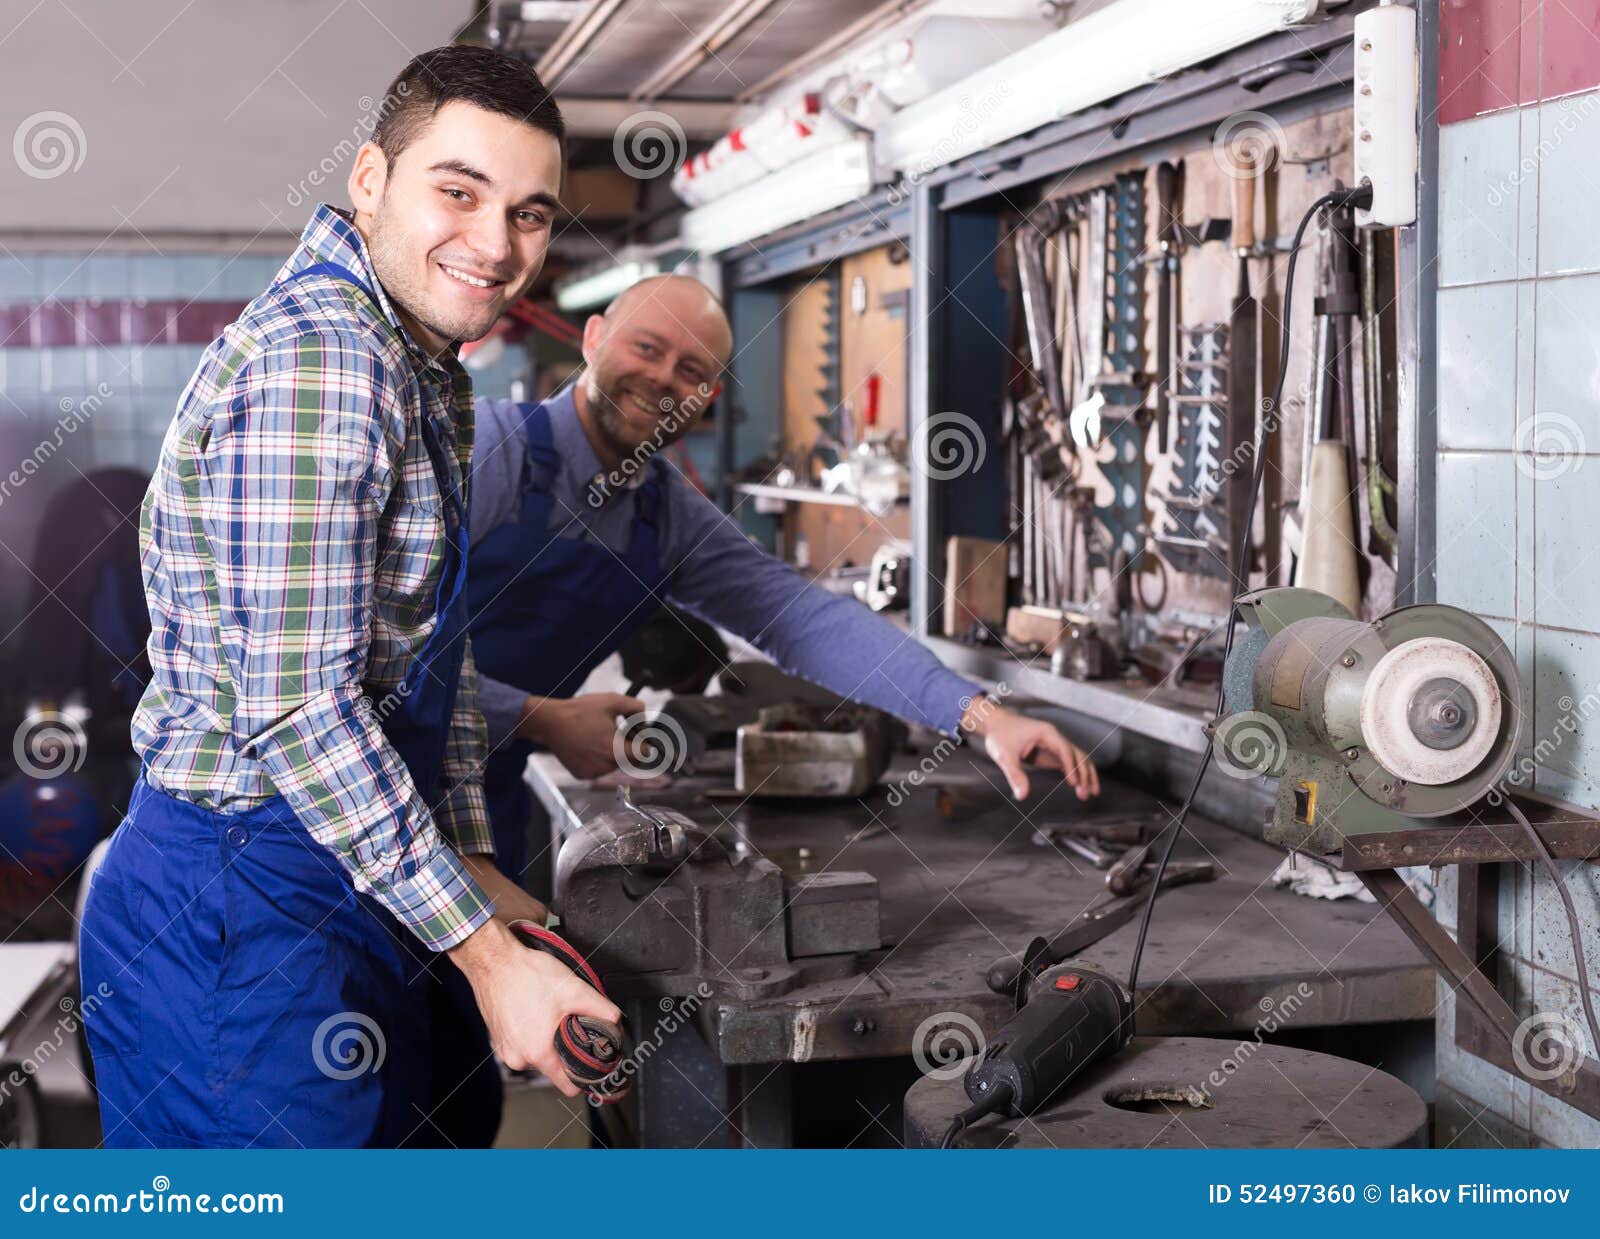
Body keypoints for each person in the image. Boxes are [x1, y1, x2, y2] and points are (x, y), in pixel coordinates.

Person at [79, 45, 615, 1150]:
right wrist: (479, 949)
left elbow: (431, 662)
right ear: (369, 181)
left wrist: (473, 876)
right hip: (243, 916)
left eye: (529, 213)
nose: (495, 244)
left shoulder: (418, 363)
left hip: (356, 877)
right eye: (457, 192)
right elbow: (299, 709)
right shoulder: (326, 362)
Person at [466, 275, 1102, 883]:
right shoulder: (486, 451)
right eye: (646, 348)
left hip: (487, 806)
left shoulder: (664, 515)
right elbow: (378, 655)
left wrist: (983, 718)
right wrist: (538, 719)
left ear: (709, 395)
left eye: (692, 371)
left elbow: (805, 621)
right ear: (594, 337)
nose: (662, 378)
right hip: (381, 798)